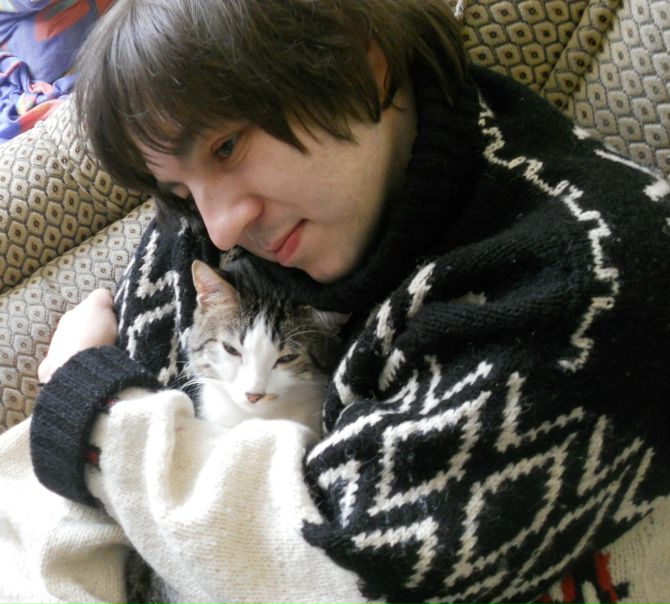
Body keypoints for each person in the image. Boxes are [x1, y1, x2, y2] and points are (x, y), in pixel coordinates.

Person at [2, 0, 669, 602]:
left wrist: (86, 403)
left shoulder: (588, 279)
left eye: (228, 146)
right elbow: (83, 519)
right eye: (179, 189)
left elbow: (327, 574)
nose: (220, 227)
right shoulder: (206, 233)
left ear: (358, 61)